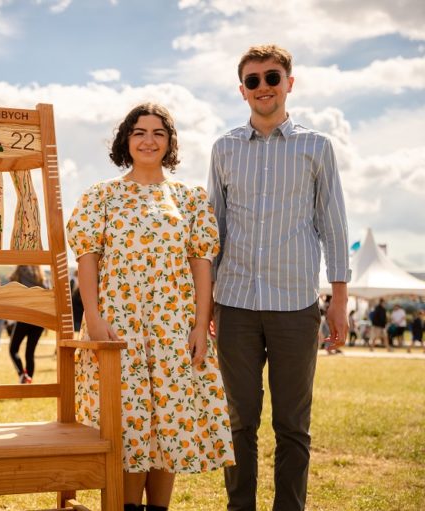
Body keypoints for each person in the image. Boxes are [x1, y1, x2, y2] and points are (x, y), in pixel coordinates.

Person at [67, 103, 235, 511]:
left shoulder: (190, 198)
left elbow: (201, 262)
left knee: (169, 421)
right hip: (118, 324)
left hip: (173, 325)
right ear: (127, 140)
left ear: (169, 142)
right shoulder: (101, 195)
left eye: (158, 132)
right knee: (127, 422)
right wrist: (93, 316)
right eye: (139, 131)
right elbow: (87, 256)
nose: (148, 139)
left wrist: (201, 324)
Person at [207, 44, 351, 511]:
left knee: (292, 424)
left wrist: (339, 299)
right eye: (253, 80)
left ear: (290, 83)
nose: (263, 87)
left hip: (295, 303)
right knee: (238, 420)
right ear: (242, 89)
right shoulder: (224, 148)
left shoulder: (318, 147)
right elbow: (215, 229)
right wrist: (205, 302)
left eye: (272, 77)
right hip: (235, 303)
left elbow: (333, 224)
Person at [7, 265, 48, 384]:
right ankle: (28, 380)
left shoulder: (19, 272)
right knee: (30, 353)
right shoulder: (41, 277)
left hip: (25, 316)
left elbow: (11, 292)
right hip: (40, 318)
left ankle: (22, 375)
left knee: (13, 349)